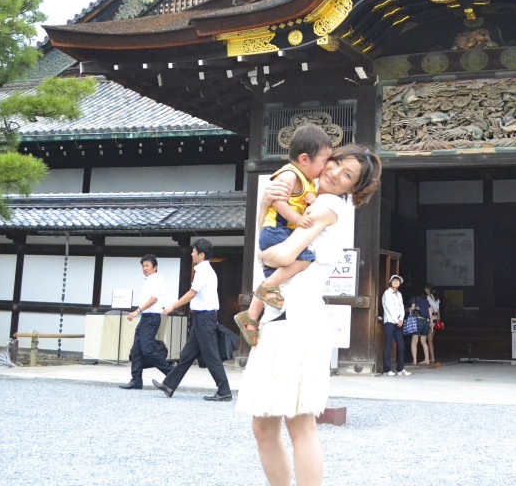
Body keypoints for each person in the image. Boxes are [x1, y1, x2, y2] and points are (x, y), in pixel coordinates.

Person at [238, 144, 381, 486]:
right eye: (336, 164)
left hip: (295, 318)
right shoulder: (311, 201)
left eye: (347, 175)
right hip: (282, 315)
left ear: (354, 189)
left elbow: (279, 255)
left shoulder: (328, 205)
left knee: (299, 424)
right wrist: (265, 205)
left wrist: (269, 248)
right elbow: (267, 245)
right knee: (264, 426)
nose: (335, 173)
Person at [235, 123, 333, 347]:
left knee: (274, 278)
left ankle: (250, 317)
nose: (326, 167)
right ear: (305, 158)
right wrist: (297, 219)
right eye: (324, 160)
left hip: (278, 232)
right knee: (304, 259)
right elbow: (278, 201)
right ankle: (263, 294)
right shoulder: (290, 174)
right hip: (276, 230)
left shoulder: (307, 180)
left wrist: (310, 199)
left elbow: (297, 199)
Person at [151, 238, 232, 401]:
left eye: (194, 252)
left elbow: (192, 293)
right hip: (202, 318)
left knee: (211, 355)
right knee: (187, 354)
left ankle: (224, 391)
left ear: (201, 255)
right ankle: (169, 385)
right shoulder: (205, 270)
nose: (192, 254)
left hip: (205, 318)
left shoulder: (203, 271)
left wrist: (172, 306)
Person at [119, 254, 174, 389]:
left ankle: (172, 372)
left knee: (148, 350)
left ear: (155, 267)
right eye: (143, 266)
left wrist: (137, 311)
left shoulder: (157, 280)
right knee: (136, 350)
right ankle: (136, 380)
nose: (145, 268)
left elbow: (153, 299)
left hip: (152, 317)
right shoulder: (148, 280)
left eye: (147, 265)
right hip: (145, 317)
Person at [381, 273, 409, 376]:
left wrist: (401, 319)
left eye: (398, 281)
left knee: (401, 345)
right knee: (388, 345)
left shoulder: (399, 294)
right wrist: (397, 321)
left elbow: (401, 307)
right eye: (394, 280)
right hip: (390, 321)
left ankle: (400, 369)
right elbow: (389, 308)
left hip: (398, 322)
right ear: (390, 282)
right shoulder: (387, 293)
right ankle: (387, 369)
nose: (396, 282)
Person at [410, 288, 431, 366]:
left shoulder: (414, 299)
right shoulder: (426, 301)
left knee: (414, 342)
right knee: (424, 342)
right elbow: (430, 313)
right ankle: (427, 360)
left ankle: (415, 361)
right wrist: (431, 325)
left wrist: (410, 311)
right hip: (426, 322)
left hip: (418, 321)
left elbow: (412, 310)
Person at [423, 284, 440, 364]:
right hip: (435, 319)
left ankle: (432, 358)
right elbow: (438, 311)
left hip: (430, 319)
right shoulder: (436, 298)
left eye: (426, 289)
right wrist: (438, 320)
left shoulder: (427, 298)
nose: (425, 290)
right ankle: (431, 357)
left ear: (428, 289)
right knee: (430, 340)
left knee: (429, 340)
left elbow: (428, 309)